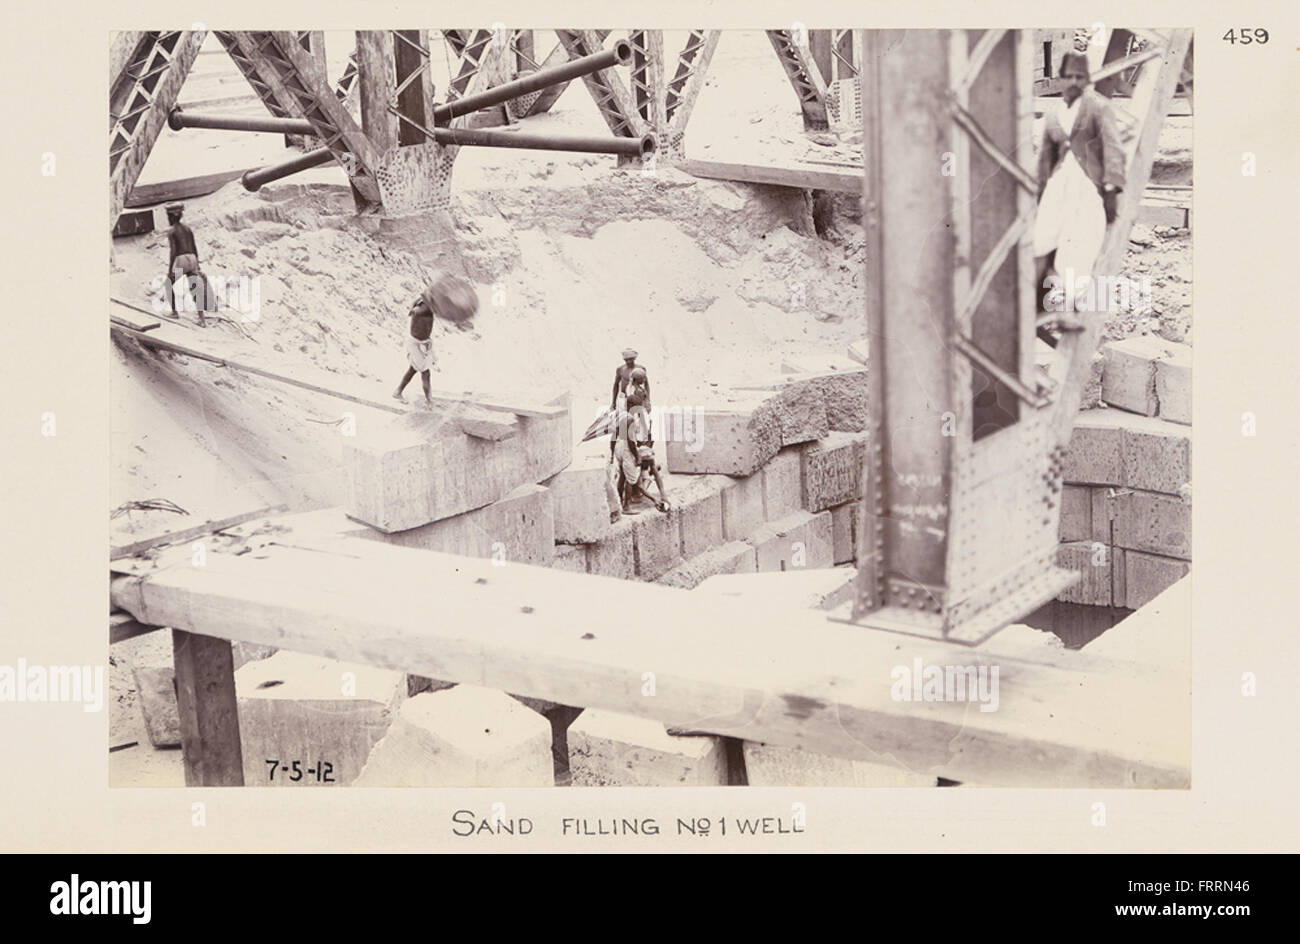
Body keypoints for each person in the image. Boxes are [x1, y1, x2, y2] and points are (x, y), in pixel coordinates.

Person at [1033, 51, 1126, 345]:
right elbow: (1045, 159)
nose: (1073, 82)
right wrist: (1037, 193)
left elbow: (1113, 148)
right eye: (1068, 76)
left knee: (1080, 248)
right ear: (1060, 79)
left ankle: (1068, 312)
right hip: (1058, 186)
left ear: (1086, 80)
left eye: (1079, 77)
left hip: (1087, 186)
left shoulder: (1098, 108)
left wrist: (1111, 188)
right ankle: (1035, 304)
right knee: (1041, 241)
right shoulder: (1052, 115)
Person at [164, 202, 206, 325]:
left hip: (181, 260)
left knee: (169, 283)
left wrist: (170, 268)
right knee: (194, 286)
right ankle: (201, 318)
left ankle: (174, 312)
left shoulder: (172, 231)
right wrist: (197, 264)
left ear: (171, 217)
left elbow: (173, 251)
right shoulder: (188, 229)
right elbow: (194, 247)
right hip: (192, 258)